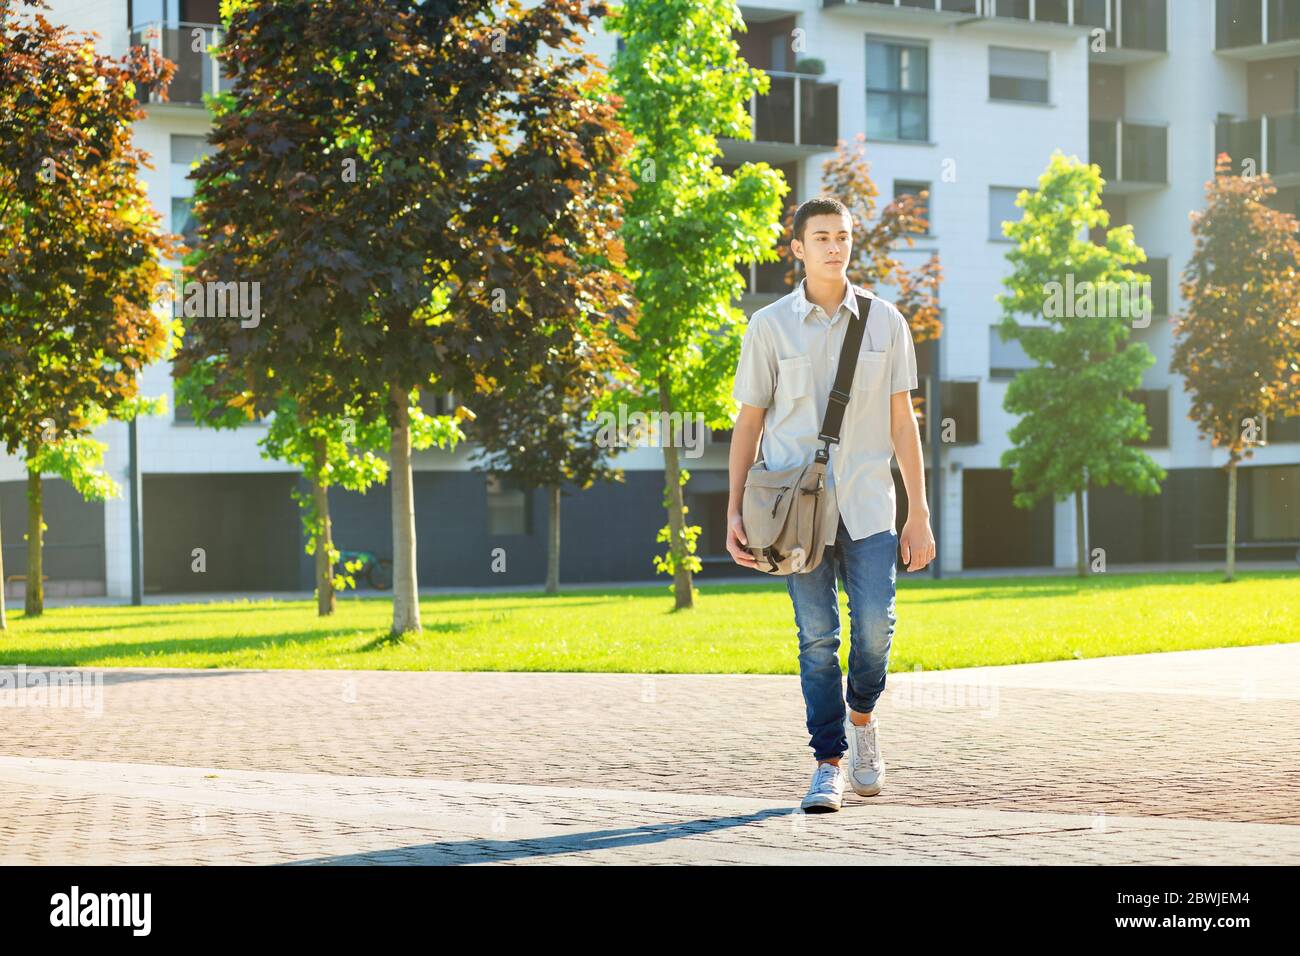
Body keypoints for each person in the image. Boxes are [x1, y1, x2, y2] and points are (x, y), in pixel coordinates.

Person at [727, 196, 935, 813]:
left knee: (875, 628)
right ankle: (829, 762)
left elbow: (904, 422)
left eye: (842, 236)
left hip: (870, 502)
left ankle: (863, 719)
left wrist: (919, 509)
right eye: (820, 237)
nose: (834, 246)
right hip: (795, 514)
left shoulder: (886, 321)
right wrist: (735, 509)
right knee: (817, 638)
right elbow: (748, 423)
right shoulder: (768, 326)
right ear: (797, 248)